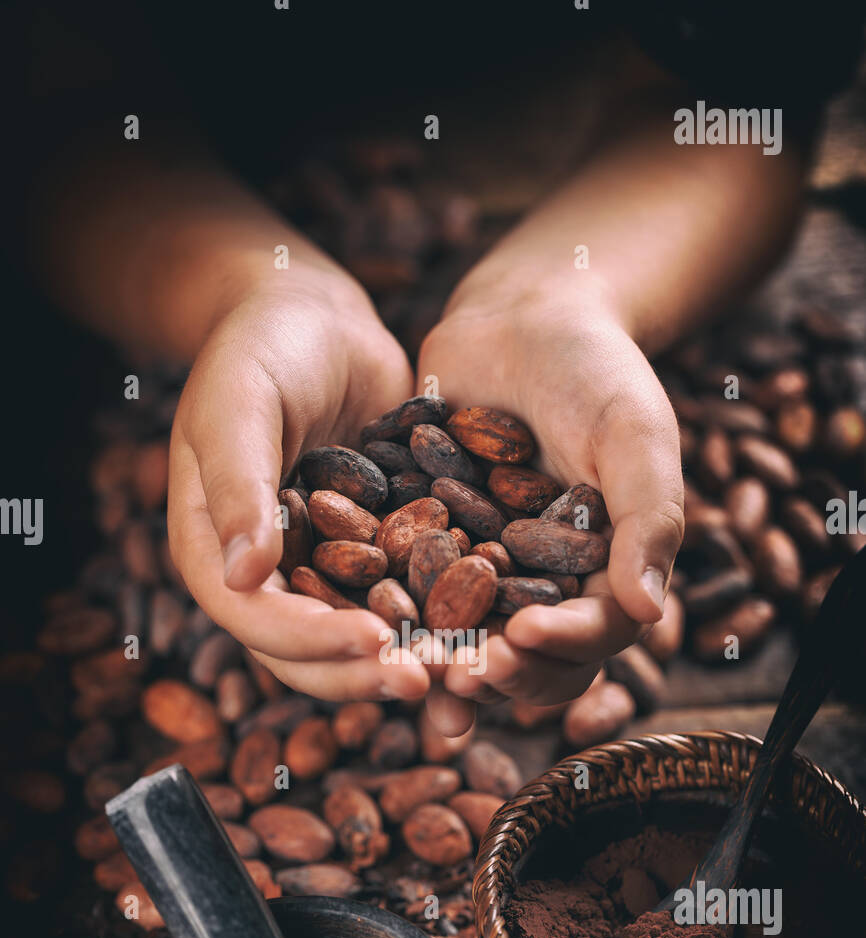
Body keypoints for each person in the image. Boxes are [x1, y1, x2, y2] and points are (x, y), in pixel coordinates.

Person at [21, 1, 862, 733]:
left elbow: (738, 95)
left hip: (601, 200)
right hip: (165, 235)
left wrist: (564, 294)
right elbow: (50, 116)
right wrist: (255, 292)